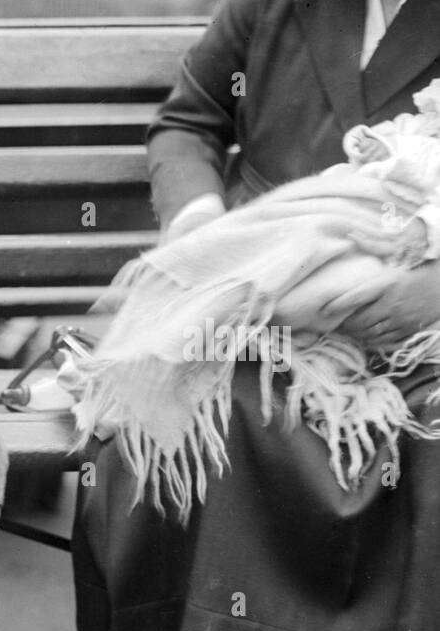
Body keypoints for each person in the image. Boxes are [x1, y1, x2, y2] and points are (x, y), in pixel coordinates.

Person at [67, 0, 440, 631]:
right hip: (259, 289)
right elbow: (188, 124)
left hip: (420, 295)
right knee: (180, 405)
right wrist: (206, 233)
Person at [68, 76, 440, 520]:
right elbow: (190, 120)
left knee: (411, 431)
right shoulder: (268, 4)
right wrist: (201, 223)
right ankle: (132, 361)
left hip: (405, 310)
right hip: (289, 245)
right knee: (219, 395)